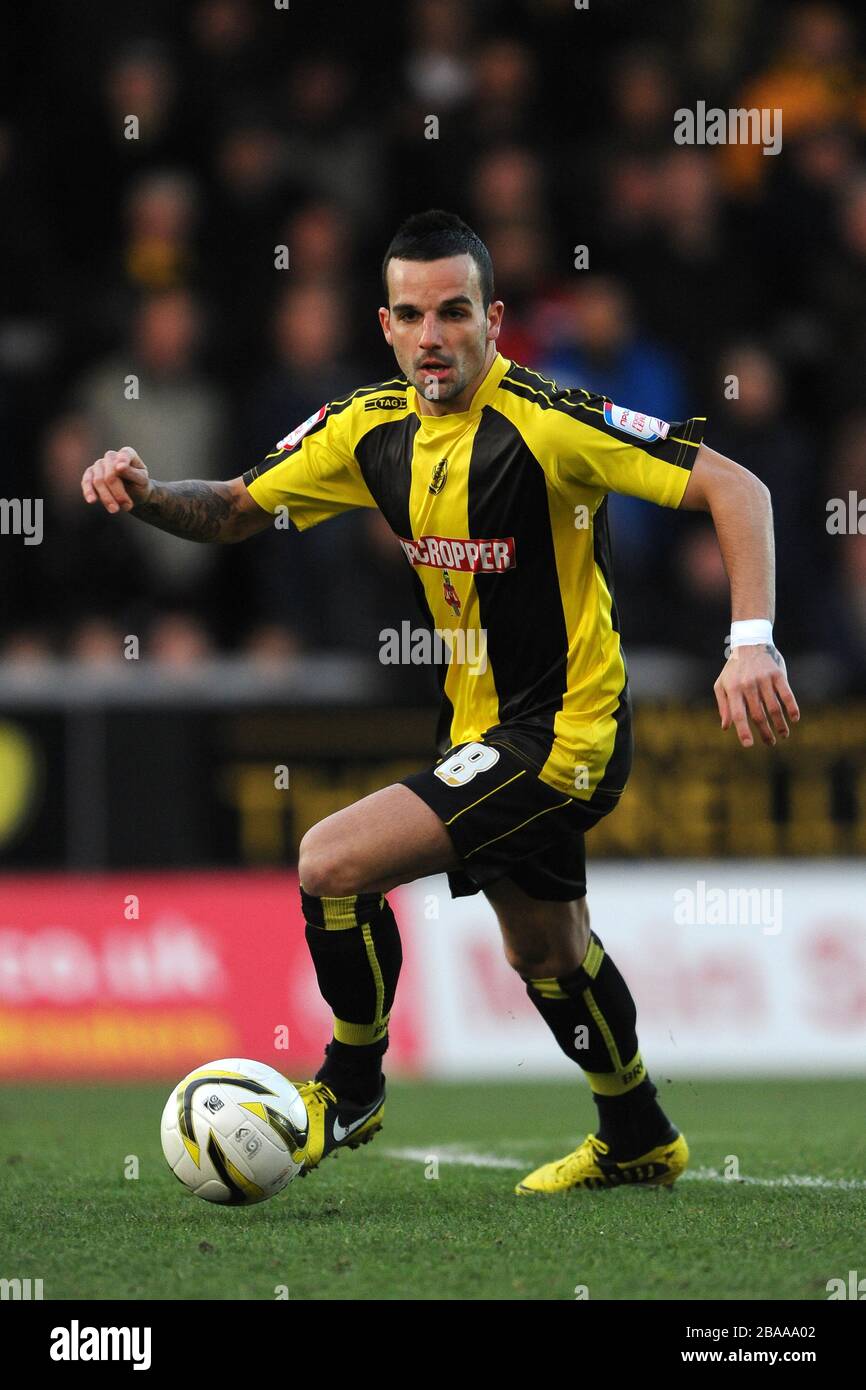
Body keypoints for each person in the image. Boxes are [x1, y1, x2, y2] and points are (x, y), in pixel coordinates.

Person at [81, 210, 799, 1195]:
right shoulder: (365, 429)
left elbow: (737, 488)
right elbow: (242, 506)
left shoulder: (548, 421)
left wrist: (749, 643)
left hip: (561, 735)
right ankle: (636, 1131)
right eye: (412, 314)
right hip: (479, 726)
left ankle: (350, 1085)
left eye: (454, 311)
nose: (432, 335)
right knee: (544, 948)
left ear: (491, 319)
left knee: (329, 860)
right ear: (383, 325)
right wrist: (147, 490)